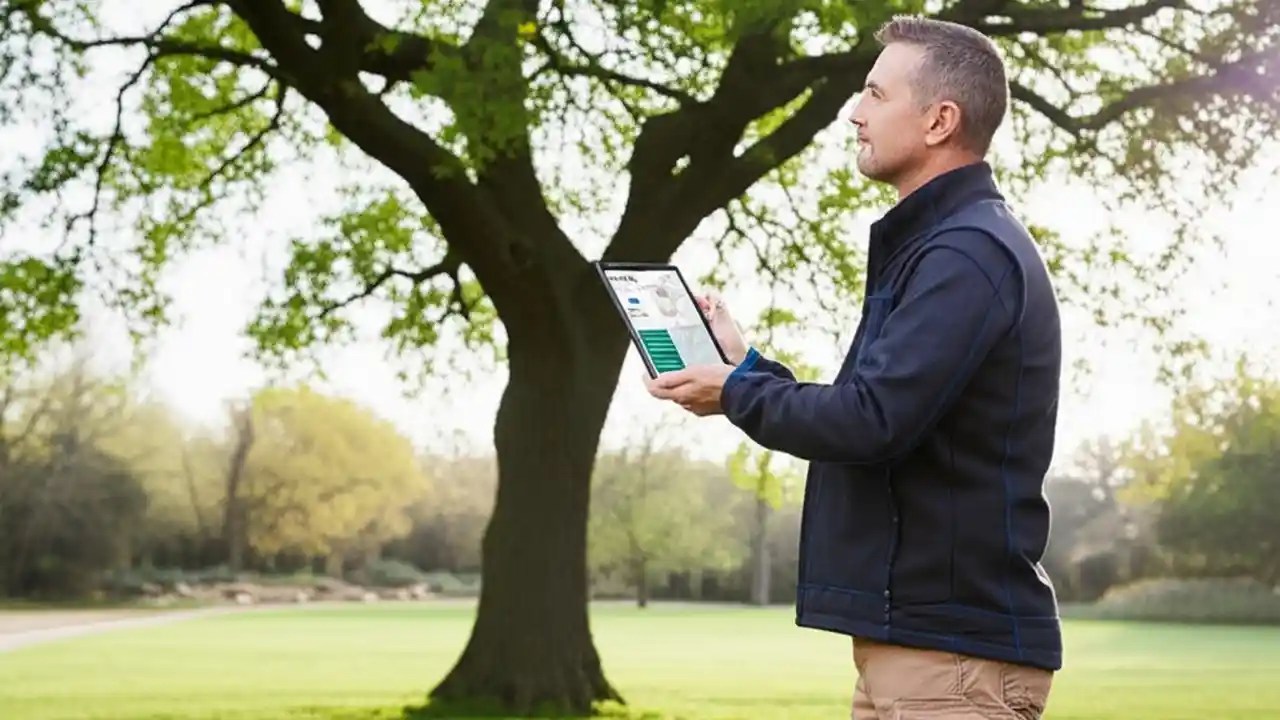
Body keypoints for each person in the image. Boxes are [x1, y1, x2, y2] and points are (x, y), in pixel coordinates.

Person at [644, 15, 1062, 720]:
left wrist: (739, 391)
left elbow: (871, 422)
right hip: (918, 653)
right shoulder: (940, 248)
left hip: (952, 661)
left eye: (874, 94)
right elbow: (868, 409)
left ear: (939, 121)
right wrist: (743, 365)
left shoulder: (966, 254)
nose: (854, 113)